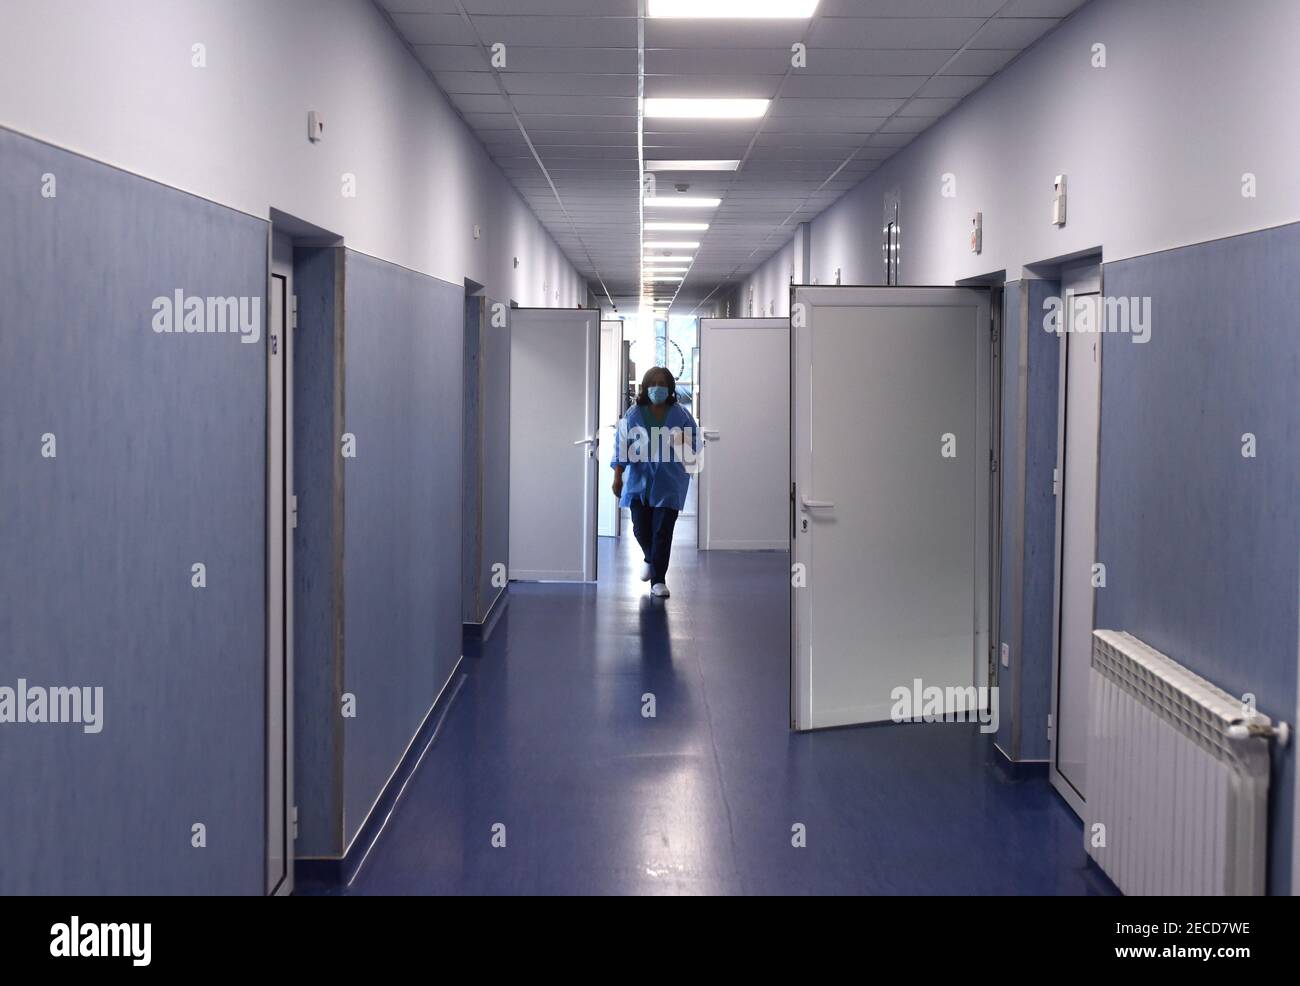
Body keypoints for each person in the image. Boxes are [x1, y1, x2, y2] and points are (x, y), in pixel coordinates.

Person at [610, 366, 698, 599]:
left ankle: (658, 580)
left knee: (662, 531)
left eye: (662, 384)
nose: (657, 388)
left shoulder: (680, 415)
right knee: (640, 528)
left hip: (669, 483)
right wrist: (618, 475)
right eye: (653, 383)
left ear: (669, 388)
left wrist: (683, 442)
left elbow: (695, 444)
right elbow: (621, 446)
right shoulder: (633, 414)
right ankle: (650, 558)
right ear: (646, 387)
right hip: (639, 482)